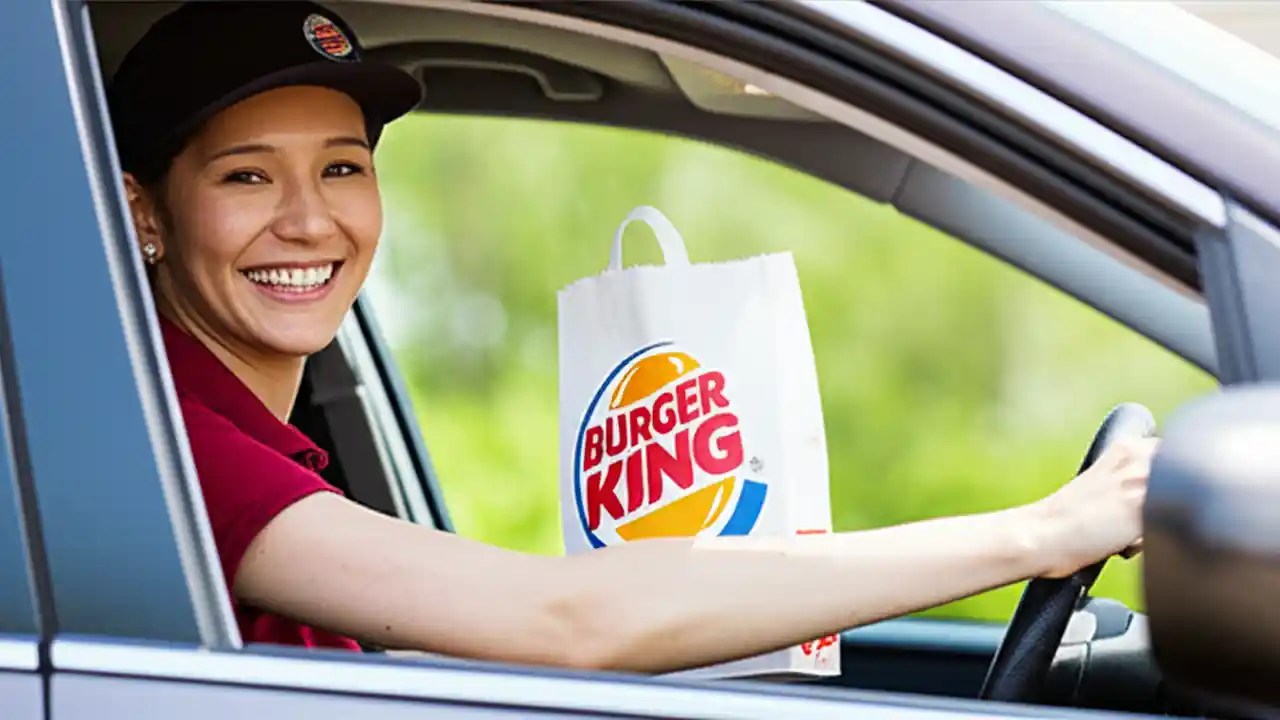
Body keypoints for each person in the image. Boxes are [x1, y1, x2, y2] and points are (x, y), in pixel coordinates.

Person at [107, 1, 1157, 673]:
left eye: (342, 167)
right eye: (245, 175)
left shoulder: (251, 437)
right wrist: (1040, 532)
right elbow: (573, 620)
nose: (308, 221)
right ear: (143, 212)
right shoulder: (171, 453)